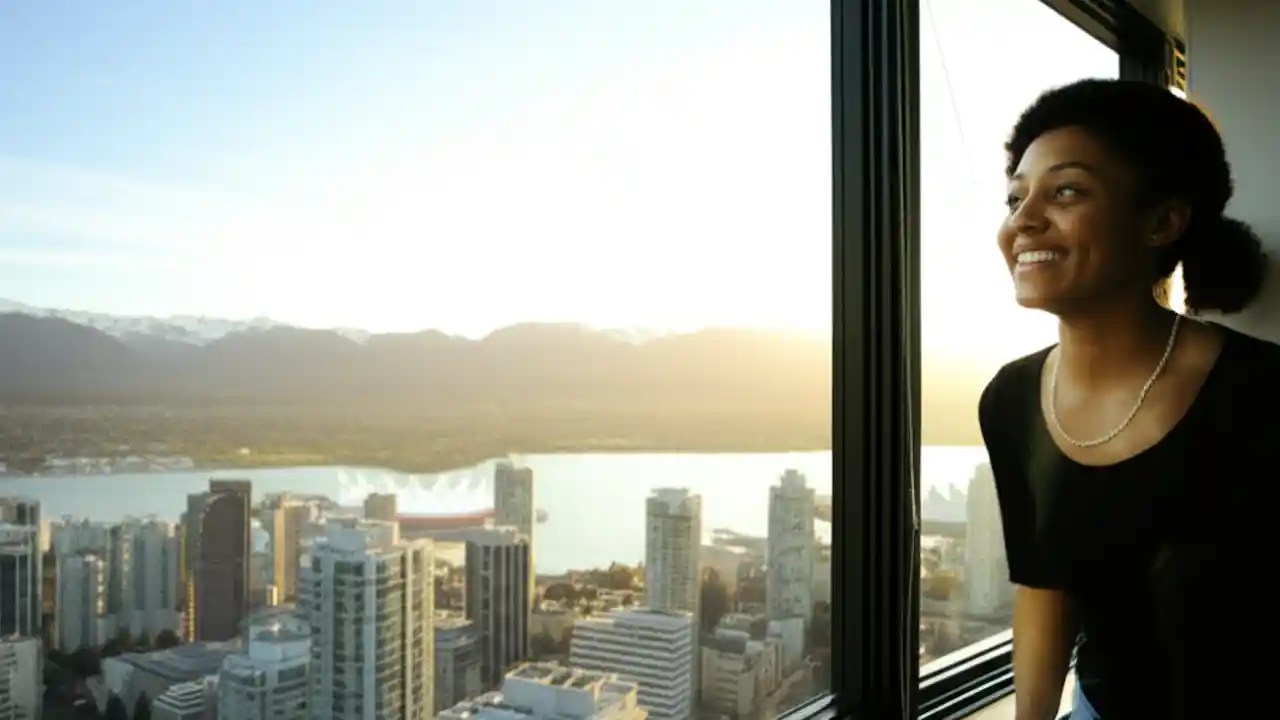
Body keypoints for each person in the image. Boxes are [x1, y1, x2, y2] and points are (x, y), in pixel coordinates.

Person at [980, 78, 1279, 720]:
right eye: (1015, 196)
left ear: (1161, 221)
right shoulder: (1010, 400)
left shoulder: (1264, 392)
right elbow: (1044, 586)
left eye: (1066, 190)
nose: (1023, 219)